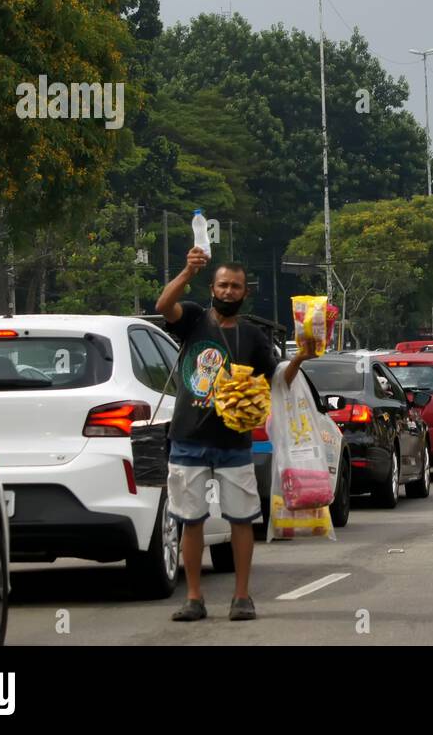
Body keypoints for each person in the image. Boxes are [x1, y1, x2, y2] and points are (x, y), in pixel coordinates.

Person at [155, 245, 313, 623]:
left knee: (241, 520)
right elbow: (164, 306)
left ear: (245, 292)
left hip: (234, 442)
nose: (228, 291)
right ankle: (194, 597)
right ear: (213, 287)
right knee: (189, 521)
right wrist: (187, 272)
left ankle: (242, 597)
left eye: (236, 287)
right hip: (189, 438)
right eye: (223, 285)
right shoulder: (193, 319)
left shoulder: (254, 337)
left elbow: (278, 381)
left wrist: (302, 358)